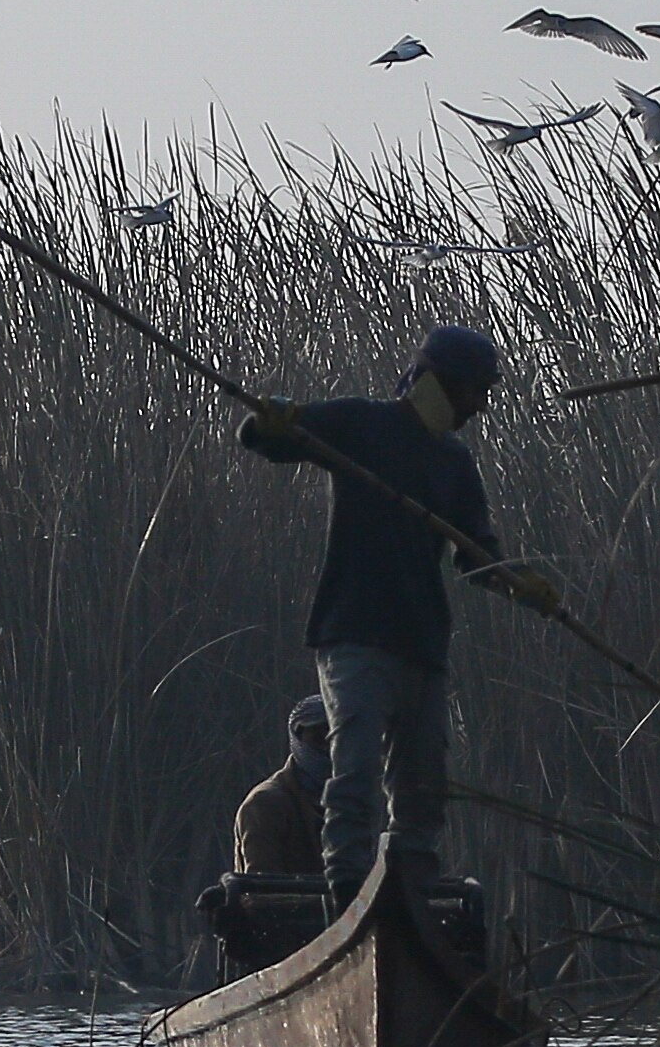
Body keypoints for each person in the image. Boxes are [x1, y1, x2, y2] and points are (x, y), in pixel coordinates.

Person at [237, 323, 554, 912]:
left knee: (422, 784)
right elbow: (265, 438)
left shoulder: (453, 462)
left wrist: (521, 584)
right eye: (476, 392)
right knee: (353, 764)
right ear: (443, 384)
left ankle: (408, 895)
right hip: (354, 633)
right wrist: (272, 421)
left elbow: (476, 556)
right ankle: (350, 894)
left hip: (421, 642)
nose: (481, 406)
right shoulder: (364, 424)